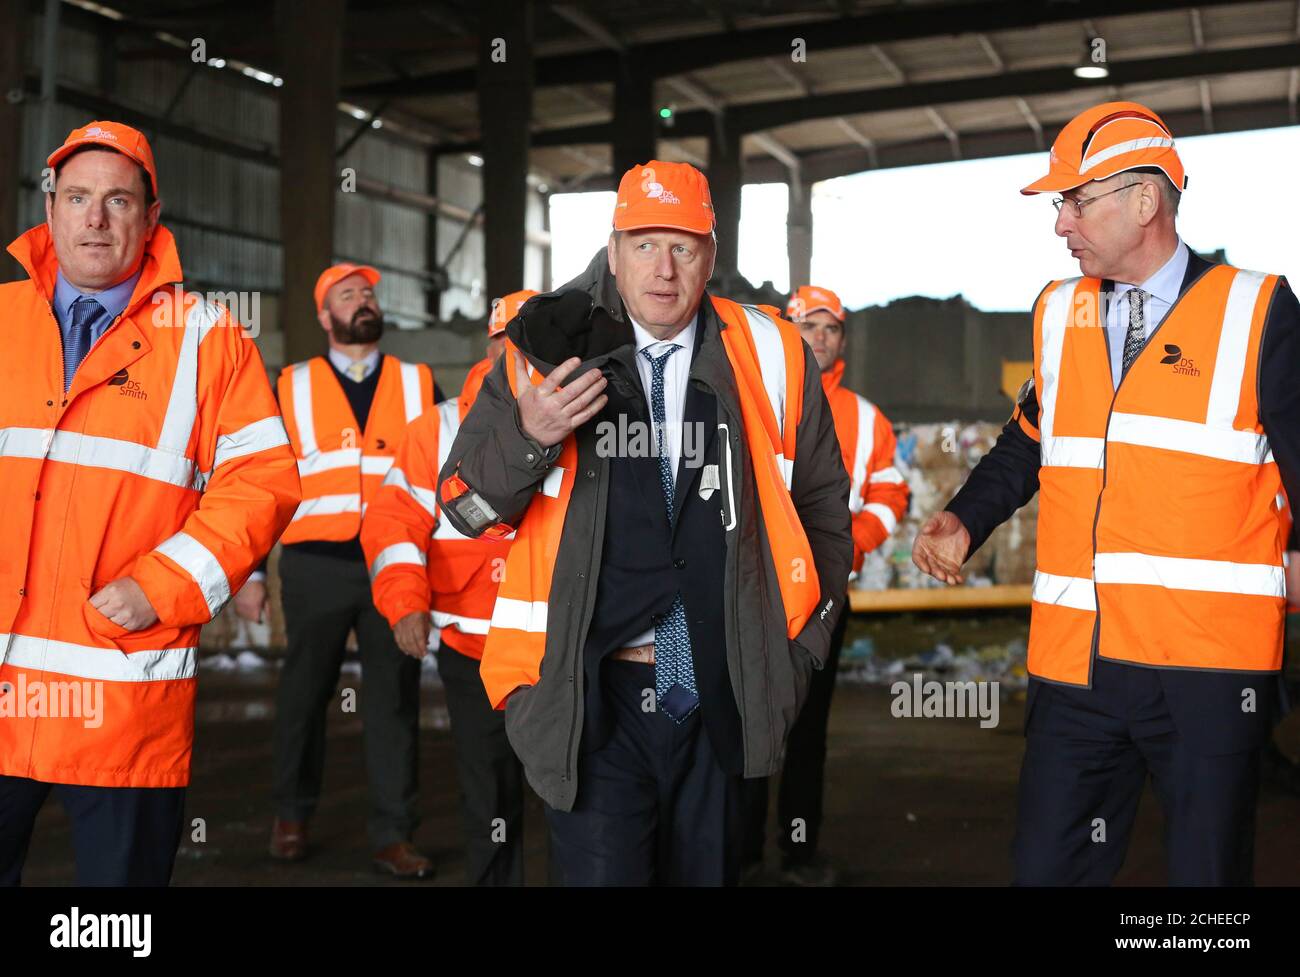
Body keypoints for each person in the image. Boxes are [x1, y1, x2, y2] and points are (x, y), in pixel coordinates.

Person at [912, 101, 1300, 885]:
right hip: (1077, 671)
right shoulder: (1060, 311)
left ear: (1145, 202)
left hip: (1207, 669)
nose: (1061, 224)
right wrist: (965, 517)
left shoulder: (1258, 312)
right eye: (1061, 204)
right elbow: (1030, 439)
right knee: (1048, 871)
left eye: (1076, 200)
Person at [437, 160, 852, 886]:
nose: (664, 269)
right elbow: (465, 505)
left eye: (684, 247)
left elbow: (822, 509)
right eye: (644, 245)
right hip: (593, 696)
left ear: (711, 257)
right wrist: (530, 436)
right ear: (613, 248)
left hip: (722, 685)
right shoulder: (543, 349)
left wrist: (800, 649)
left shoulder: (773, 352)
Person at [0, 120, 300, 885]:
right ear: (51, 207)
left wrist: (160, 587)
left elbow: (261, 482)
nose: (95, 218)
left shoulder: (208, 339)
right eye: (77, 198)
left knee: (112, 929)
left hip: (120, 700)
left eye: (117, 201)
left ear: (152, 216)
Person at [233, 263, 436, 877]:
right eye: (347, 295)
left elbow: (432, 479)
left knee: (395, 700)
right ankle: (291, 817)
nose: (362, 301)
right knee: (303, 694)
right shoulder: (289, 383)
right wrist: (251, 574)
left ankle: (393, 835)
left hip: (392, 568)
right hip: (315, 564)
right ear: (325, 317)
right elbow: (263, 484)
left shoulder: (416, 380)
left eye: (369, 293)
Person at [361, 288, 537, 884]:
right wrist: (406, 603)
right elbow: (393, 523)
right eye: (504, 343)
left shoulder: (582, 423)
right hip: (471, 646)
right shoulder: (435, 430)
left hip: (558, 648)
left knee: (577, 791)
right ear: (487, 348)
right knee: (487, 789)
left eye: (531, 343)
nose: (516, 355)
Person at [742, 284, 909, 885]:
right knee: (745, 721)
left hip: (824, 600)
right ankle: (738, 857)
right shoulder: (752, 395)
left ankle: (798, 853)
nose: (819, 338)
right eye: (806, 326)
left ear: (842, 339)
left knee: (807, 732)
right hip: (752, 596)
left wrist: (850, 548)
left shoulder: (866, 419)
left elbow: (891, 494)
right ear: (783, 330)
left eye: (829, 328)